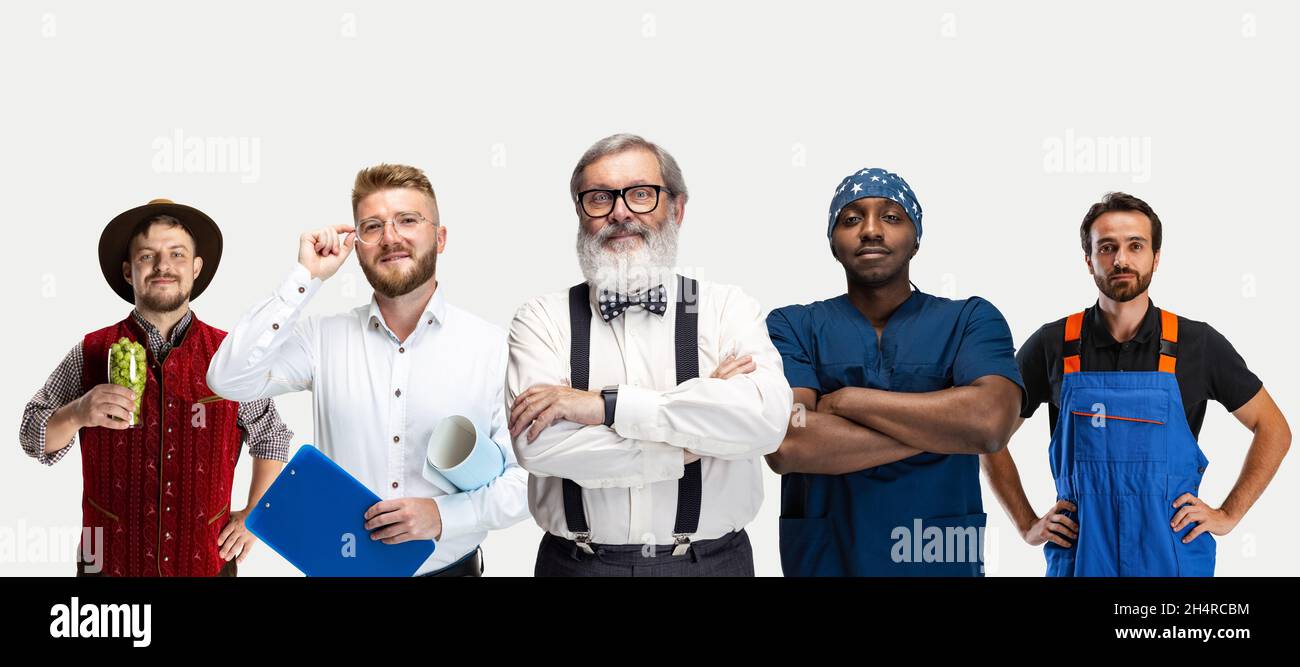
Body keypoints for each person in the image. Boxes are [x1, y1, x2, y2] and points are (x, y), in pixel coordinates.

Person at [207, 164, 529, 576]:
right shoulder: (320, 340)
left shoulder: (493, 348)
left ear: (440, 237)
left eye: (408, 220)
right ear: (357, 245)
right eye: (372, 226)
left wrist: (443, 515)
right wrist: (305, 277)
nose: (391, 237)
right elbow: (227, 379)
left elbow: (529, 480)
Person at [507, 133, 792, 576]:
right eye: (600, 198)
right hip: (577, 565)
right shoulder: (540, 318)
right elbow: (537, 443)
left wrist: (605, 406)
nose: (620, 213)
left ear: (676, 209)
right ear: (581, 213)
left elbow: (766, 423)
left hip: (711, 563)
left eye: (641, 194)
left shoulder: (728, 309)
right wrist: (691, 440)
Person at [982, 191, 1291, 576]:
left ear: (1155, 258)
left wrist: (1229, 514)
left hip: (1172, 557)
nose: (1121, 259)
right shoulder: (1053, 344)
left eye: (1135, 246)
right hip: (1081, 557)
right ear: (1088, 260)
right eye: (1107, 247)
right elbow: (986, 435)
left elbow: (1274, 428)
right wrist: (1027, 524)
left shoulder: (1197, 343)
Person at [766, 167, 1024, 576]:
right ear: (833, 242)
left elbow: (991, 423)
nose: (871, 230)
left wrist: (847, 401)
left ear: (916, 237)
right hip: (829, 559)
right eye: (851, 219)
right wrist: (949, 430)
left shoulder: (971, 319)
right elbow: (787, 444)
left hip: (938, 557)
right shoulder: (793, 325)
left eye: (891, 217)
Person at [20, 198, 292, 576]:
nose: (164, 266)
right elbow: (32, 435)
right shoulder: (91, 351)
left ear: (196, 268)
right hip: (108, 568)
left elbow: (272, 436)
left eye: (177, 254)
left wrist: (253, 516)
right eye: (148, 256)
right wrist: (79, 411)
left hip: (207, 564)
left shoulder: (231, 355)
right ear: (129, 272)